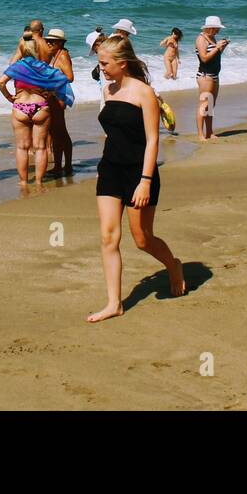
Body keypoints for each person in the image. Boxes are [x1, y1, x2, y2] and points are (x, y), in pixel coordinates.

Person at [87, 35, 185, 323]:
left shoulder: (144, 93)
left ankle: (173, 264)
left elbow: (153, 140)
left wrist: (144, 180)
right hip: (110, 169)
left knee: (142, 239)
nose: (101, 68)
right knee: (108, 237)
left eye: (105, 63)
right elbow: (113, 131)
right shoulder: (108, 90)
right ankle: (113, 303)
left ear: (122, 62)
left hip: (139, 173)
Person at [0, 37, 73, 184]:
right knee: (40, 148)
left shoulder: (17, 66)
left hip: (20, 107)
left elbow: (1, 82)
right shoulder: (43, 66)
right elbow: (63, 80)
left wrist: (9, 97)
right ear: (37, 50)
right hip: (40, 107)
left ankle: (23, 182)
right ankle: (39, 181)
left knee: (22, 147)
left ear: (22, 50)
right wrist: (51, 93)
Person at [44, 29, 75, 175]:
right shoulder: (55, 55)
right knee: (57, 133)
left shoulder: (62, 56)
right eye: (48, 40)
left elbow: (69, 77)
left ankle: (66, 166)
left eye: (52, 41)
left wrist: (52, 86)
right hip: (54, 97)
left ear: (60, 43)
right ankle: (60, 165)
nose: (49, 43)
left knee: (61, 133)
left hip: (58, 98)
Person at [194, 16, 228, 140]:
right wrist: (217, 47)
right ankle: (200, 134)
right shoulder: (201, 39)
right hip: (205, 75)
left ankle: (209, 132)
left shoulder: (213, 38)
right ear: (211, 28)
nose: (218, 30)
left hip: (214, 75)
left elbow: (214, 55)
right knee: (204, 105)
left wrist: (221, 47)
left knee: (211, 105)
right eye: (217, 28)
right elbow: (204, 58)